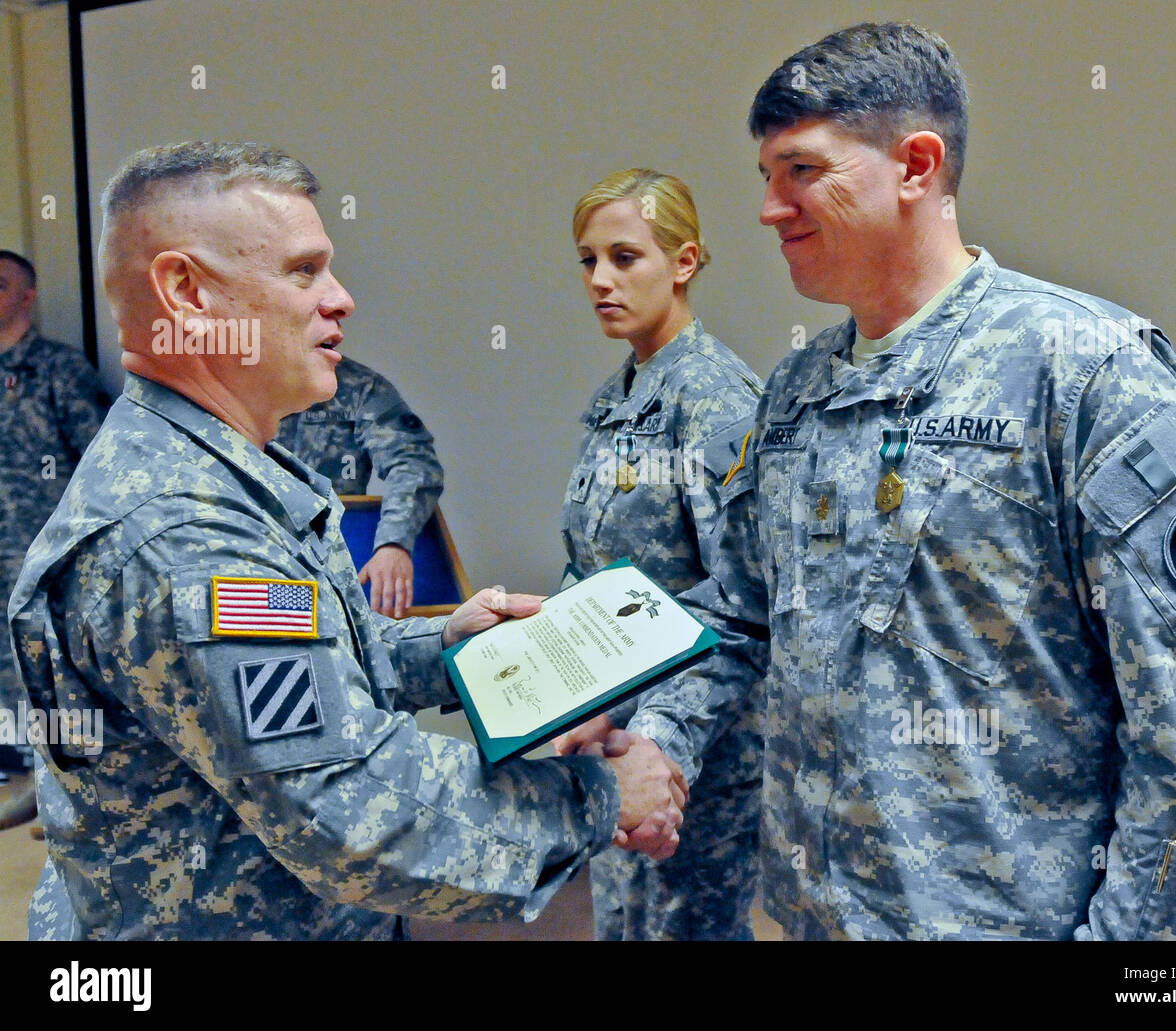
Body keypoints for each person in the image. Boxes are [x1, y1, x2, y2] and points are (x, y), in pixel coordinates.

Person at [577, 21, 1176, 940]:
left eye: (802, 171)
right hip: (805, 916)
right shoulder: (795, 393)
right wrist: (662, 736)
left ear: (915, 166)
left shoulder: (1085, 371)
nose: (770, 208)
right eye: (766, 177)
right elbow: (740, 611)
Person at [2, 141, 687, 940]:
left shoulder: (228, 470)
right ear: (185, 292)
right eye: (303, 271)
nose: (341, 299)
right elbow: (355, 811)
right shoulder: (181, 529)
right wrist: (599, 797)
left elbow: (296, 681)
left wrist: (449, 646)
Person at [552, 169, 764, 940]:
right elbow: (595, 567)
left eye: (624, 256)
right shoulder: (623, 395)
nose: (601, 280)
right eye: (588, 260)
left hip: (694, 747)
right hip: (617, 730)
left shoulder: (713, 397)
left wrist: (663, 737)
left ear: (684, 262)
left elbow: (745, 594)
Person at [0, 250, 110, 835]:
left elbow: (99, 467)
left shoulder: (60, 373)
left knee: (65, 676)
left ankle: (86, 795)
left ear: (27, 296)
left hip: (46, 561)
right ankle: (36, 786)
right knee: (13, 680)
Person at [275, 354, 443, 618]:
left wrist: (394, 543)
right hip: (245, 545)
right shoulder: (223, 378)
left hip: (335, 554)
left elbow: (413, 462)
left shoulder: (359, 387)